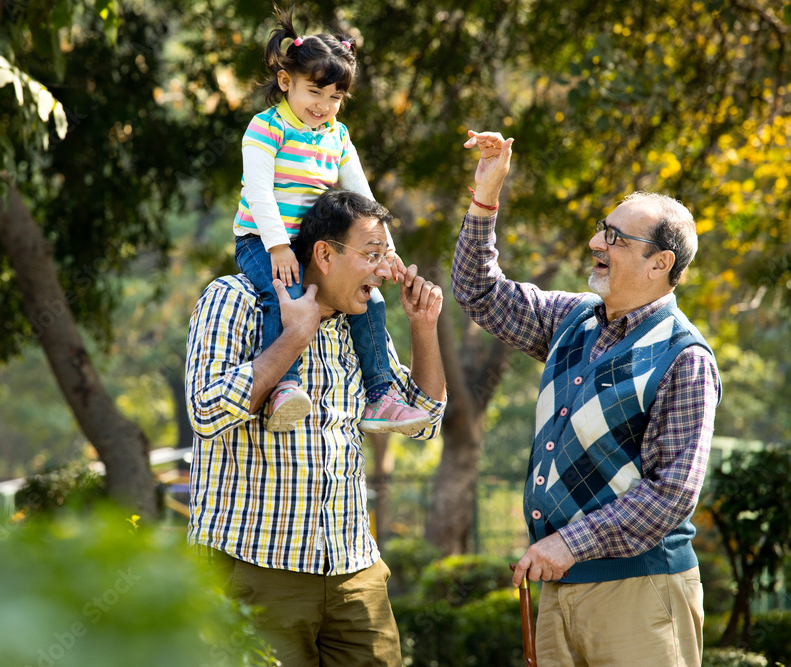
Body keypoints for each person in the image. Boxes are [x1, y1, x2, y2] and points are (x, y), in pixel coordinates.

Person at [451, 131, 721, 666]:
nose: (597, 244)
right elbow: (477, 290)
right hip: (560, 590)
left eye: (616, 238)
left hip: (642, 595)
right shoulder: (572, 318)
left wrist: (569, 544)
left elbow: (670, 495)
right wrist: (486, 196)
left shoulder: (684, 357)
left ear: (659, 264)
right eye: (603, 230)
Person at [186, 189, 447, 666]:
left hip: (354, 573)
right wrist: (294, 337)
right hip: (256, 571)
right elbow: (206, 412)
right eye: (372, 255)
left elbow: (424, 422)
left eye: (385, 256)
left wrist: (423, 328)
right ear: (324, 254)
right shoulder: (234, 299)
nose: (383, 270)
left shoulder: (362, 323)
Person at [233, 5, 429, 434]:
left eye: (335, 97)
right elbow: (260, 192)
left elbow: (362, 195)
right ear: (286, 82)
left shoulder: (337, 135)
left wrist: (386, 249)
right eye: (314, 93)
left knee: (371, 301)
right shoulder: (265, 129)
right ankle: (284, 388)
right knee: (280, 294)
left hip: (313, 243)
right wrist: (278, 246)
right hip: (262, 240)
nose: (324, 106)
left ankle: (380, 395)